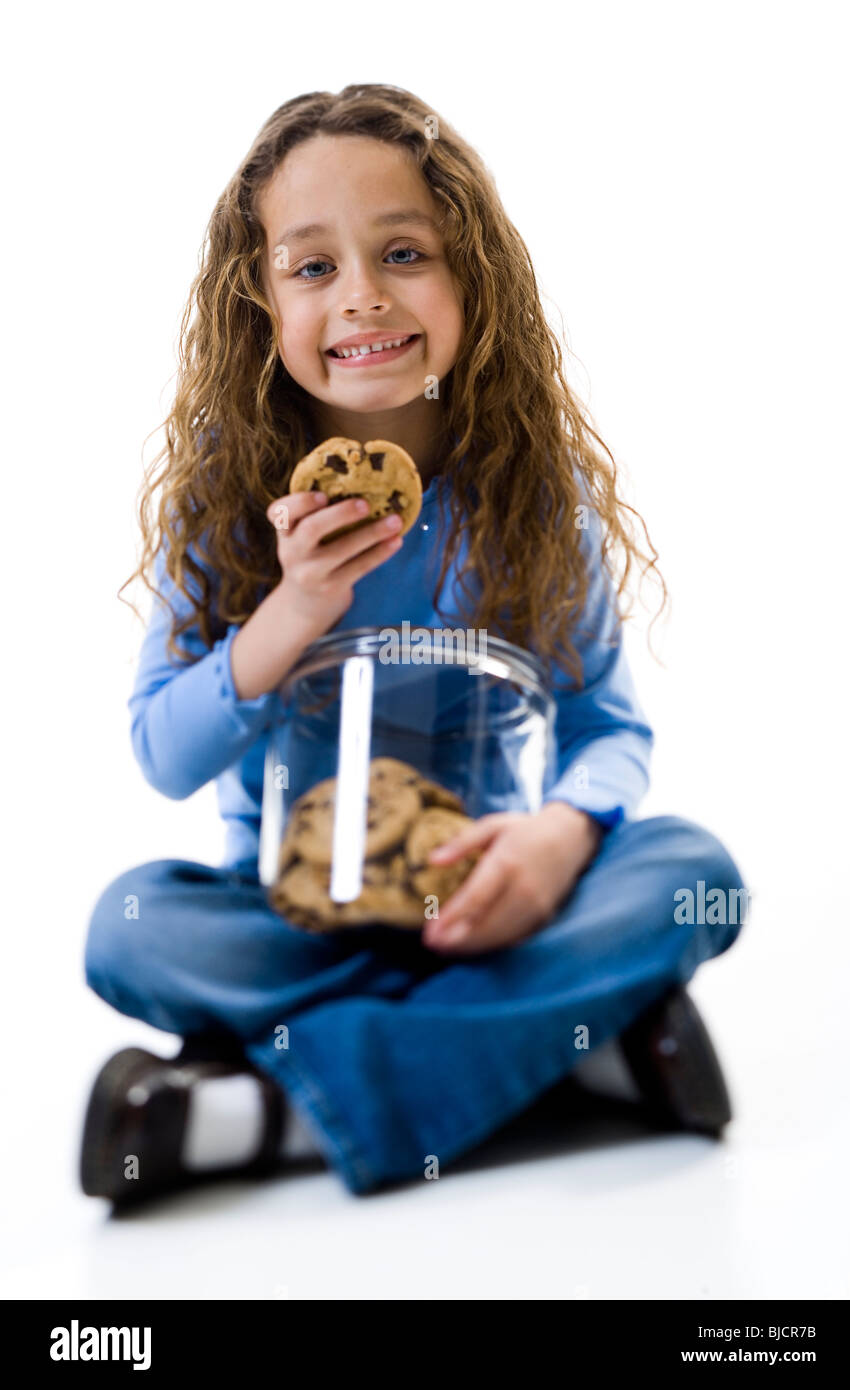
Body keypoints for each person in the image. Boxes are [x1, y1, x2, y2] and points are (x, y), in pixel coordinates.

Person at [80, 84, 747, 1207]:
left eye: (403, 251)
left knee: (695, 877)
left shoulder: (534, 504)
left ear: (470, 273)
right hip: (290, 918)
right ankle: (570, 1057)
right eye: (311, 267)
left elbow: (607, 731)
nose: (362, 298)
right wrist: (288, 615)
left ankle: (268, 1111)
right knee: (129, 929)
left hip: (485, 913)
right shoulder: (226, 508)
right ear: (258, 300)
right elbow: (162, 751)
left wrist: (552, 839)